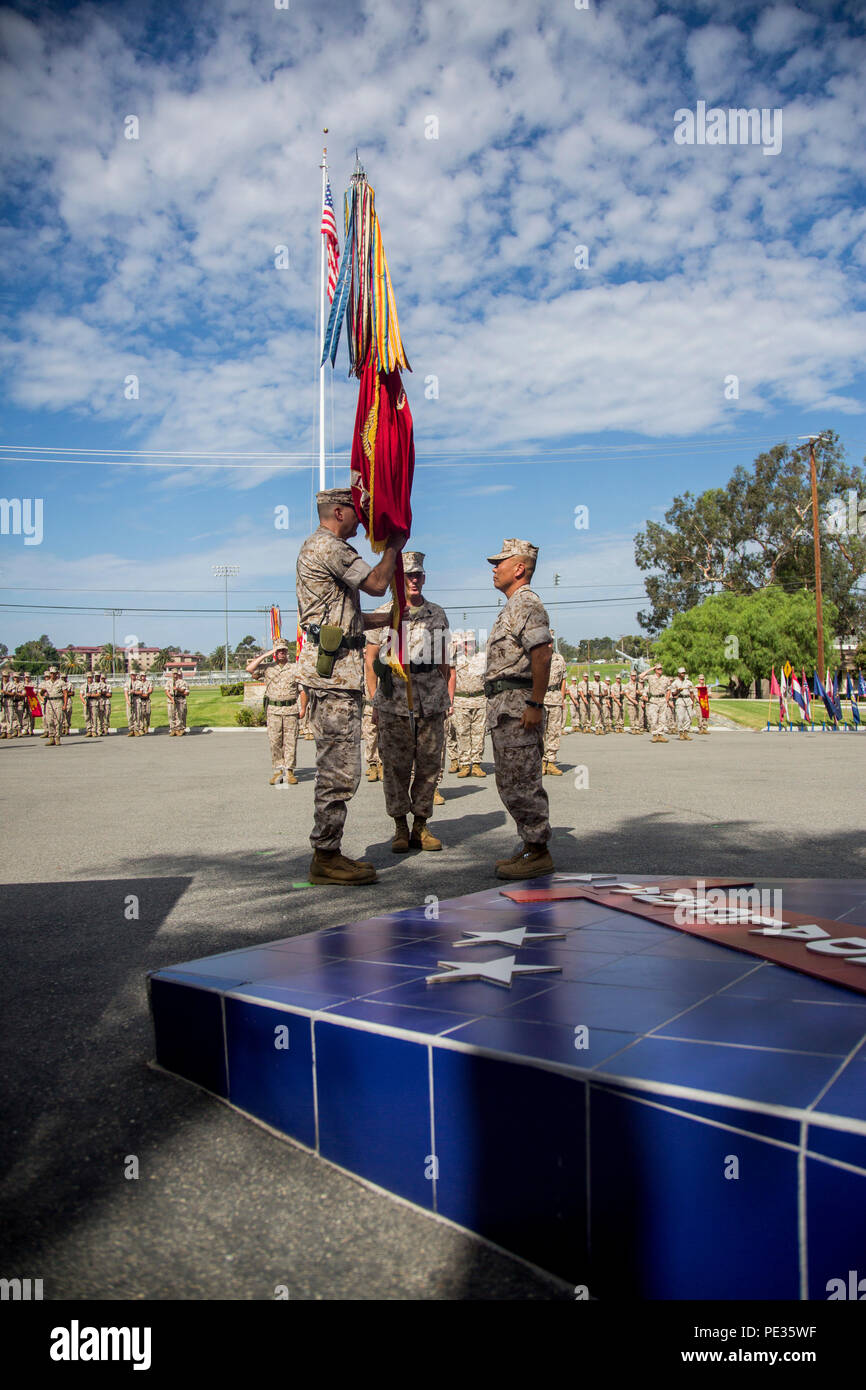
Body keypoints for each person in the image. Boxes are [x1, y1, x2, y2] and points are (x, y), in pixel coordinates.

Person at [296, 486, 407, 885]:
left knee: (339, 767)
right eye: (358, 511)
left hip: (336, 672)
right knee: (339, 770)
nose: (363, 518)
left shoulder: (321, 549)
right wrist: (394, 545)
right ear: (339, 512)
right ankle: (325, 856)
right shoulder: (330, 547)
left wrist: (391, 619)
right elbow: (376, 583)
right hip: (335, 678)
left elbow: (348, 622)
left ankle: (328, 852)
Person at [368, 552, 453, 853]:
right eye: (408, 575)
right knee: (395, 767)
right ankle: (400, 827)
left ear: (424, 578)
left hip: (430, 699)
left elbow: (444, 659)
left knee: (429, 765)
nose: (414, 580)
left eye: (418, 575)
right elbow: (370, 660)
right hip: (393, 700)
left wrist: (445, 697)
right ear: (398, 579)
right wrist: (373, 701)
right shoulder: (384, 613)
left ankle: (421, 825)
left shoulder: (437, 614)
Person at [484, 538, 554, 881]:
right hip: (505, 708)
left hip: (519, 707)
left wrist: (535, 704)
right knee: (511, 782)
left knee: (522, 782)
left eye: (500, 562)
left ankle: (538, 850)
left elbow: (542, 654)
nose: (494, 568)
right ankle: (530, 844)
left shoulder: (527, 604)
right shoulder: (511, 606)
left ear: (520, 568)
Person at [247, 640, 301, 785]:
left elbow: (303, 691)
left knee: (291, 742)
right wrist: (267, 654)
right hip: (274, 711)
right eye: (278, 651)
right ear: (275, 653)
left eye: (283, 650)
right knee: (275, 742)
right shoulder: (267, 668)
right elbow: (250, 669)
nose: (281, 653)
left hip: (290, 710)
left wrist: (303, 708)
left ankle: (289, 771)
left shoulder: (295, 668)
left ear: (287, 652)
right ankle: (278, 771)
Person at [452, 629, 487, 777]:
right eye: (467, 644)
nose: (470, 646)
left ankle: (477, 764)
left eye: (472, 643)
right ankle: (465, 764)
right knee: (462, 733)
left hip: (479, 700)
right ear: (463, 645)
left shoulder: (482, 658)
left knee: (479, 733)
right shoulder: (456, 659)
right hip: (461, 700)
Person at [542, 647, 567, 774]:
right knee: (540, 732)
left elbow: (563, 679)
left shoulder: (559, 659)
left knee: (554, 731)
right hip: (541, 698)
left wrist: (562, 697)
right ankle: (540, 762)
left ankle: (550, 762)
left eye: (550, 641)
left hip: (555, 698)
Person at [38, 666, 67, 746]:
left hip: (58, 701)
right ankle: (51, 738)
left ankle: (57, 738)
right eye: (51, 673)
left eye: (54, 673)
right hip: (49, 703)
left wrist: (65, 704)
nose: (53, 675)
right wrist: (43, 693)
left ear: (57, 674)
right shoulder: (46, 683)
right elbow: (40, 693)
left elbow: (65, 694)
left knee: (58, 721)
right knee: (49, 721)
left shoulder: (61, 682)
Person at [646, 663, 671, 743]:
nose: (660, 670)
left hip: (662, 700)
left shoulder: (665, 679)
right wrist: (651, 669)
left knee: (662, 719)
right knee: (653, 719)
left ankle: (660, 735)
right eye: (658, 669)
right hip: (654, 699)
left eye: (661, 669)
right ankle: (654, 735)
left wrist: (667, 700)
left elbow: (669, 689)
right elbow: (640, 676)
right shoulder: (650, 677)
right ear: (655, 670)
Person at [670, 667, 695, 740]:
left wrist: (692, 701)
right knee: (680, 718)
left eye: (684, 673)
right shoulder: (675, 683)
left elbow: (691, 693)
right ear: (678, 674)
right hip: (680, 699)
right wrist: (678, 691)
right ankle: (680, 732)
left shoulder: (688, 682)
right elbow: (673, 694)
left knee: (689, 717)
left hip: (688, 699)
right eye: (682, 673)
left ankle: (686, 732)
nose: (683, 674)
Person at [165, 670, 189, 737]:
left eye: (176, 674)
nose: (175, 675)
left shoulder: (182, 682)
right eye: (174, 674)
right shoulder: (169, 682)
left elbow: (184, 691)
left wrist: (177, 689)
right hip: (171, 699)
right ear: (172, 674)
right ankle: (173, 729)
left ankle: (178, 729)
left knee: (179, 715)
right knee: (171, 715)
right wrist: (171, 698)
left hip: (179, 699)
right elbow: (166, 691)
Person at [81, 671, 100, 737]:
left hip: (94, 702)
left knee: (94, 717)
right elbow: (81, 695)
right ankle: (89, 730)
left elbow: (98, 694)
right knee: (87, 717)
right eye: (88, 677)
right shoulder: (83, 686)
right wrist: (84, 702)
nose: (89, 679)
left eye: (91, 677)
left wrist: (91, 695)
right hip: (86, 702)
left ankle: (94, 731)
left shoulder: (96, 685)